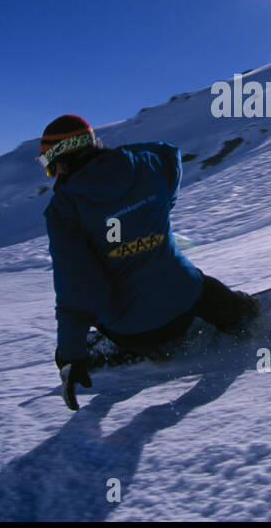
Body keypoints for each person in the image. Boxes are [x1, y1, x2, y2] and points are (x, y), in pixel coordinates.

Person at [39, 114, 259, 410]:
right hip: (186, 302)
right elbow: (169, 153)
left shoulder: (64, 210)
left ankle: (124, 348)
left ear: (61, 158)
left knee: (118, 310)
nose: (53, 174)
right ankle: (240, 317)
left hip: (135, 333)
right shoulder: (148, 166)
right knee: (194, 281)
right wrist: (115, 158)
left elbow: (79, 290)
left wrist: (70, 356)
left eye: (49, 165)